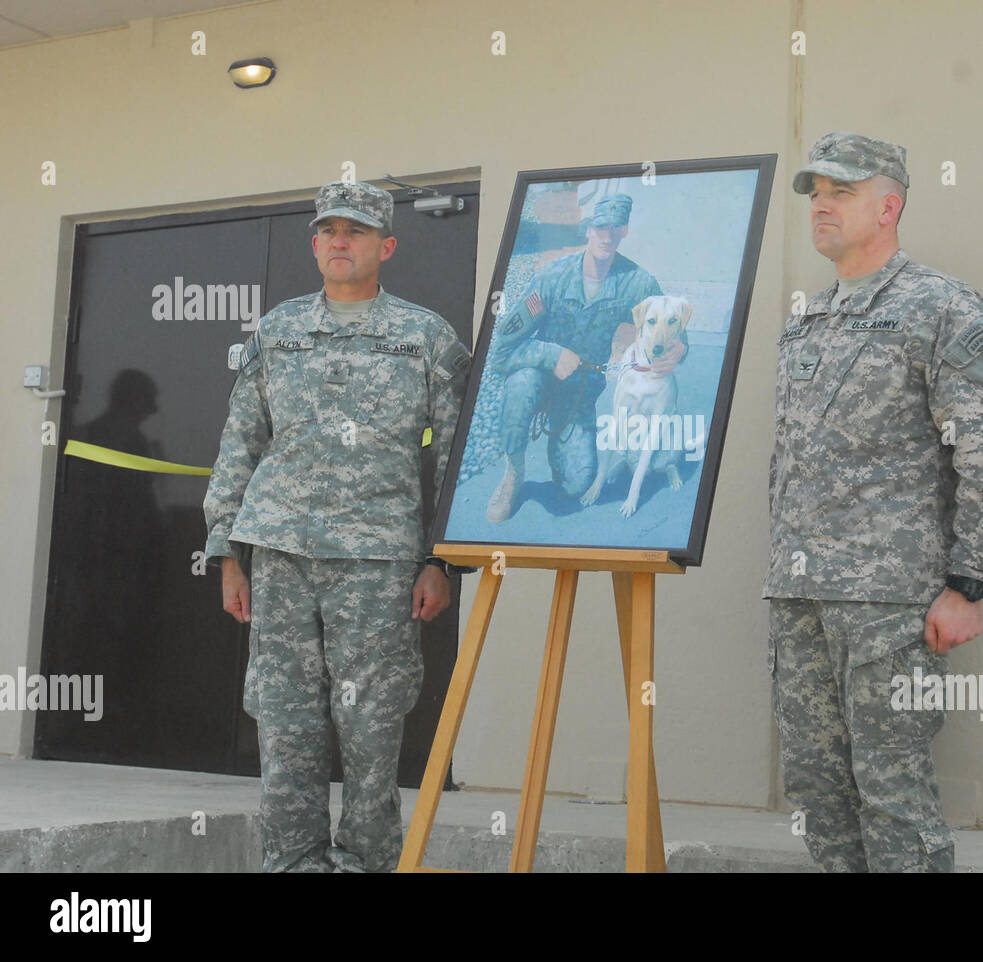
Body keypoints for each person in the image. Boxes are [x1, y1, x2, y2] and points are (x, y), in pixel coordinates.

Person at [765, 132, 983, 872]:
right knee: (821, 792)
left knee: (893, 797)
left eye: (841, 192)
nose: (822, 206)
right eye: (816, 193)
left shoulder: (940, 306)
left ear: (890, 205)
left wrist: (968, 583)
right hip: (801, 596)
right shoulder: (809, 318)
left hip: (891, 602)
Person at [203, 181, 471, 872]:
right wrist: (227, 552)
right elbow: (241, 440)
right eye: (328, 230)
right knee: (286, 730)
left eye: (355, 231)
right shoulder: (278, 330)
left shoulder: (425, 337)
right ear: (315, 243)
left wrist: (440, 561)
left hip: (378, 564)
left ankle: (363, 864)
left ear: (386, 245)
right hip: (282, 556)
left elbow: (454, 458)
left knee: (371, 735)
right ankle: (291, 864)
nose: (340, 241)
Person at [485, 192, 683, 521]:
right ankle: (514, 473)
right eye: (599, 226)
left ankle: (560, 437)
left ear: (624, 232)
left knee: (577, 485)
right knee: (520, 385)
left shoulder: (635, 281)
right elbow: (502, 351)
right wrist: (551, 354)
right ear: (587, 229)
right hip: (538, 378)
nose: (606, 235)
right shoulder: (552, 277)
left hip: (578, 392)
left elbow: (674, 324)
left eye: (615, 227)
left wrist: (678, 349)